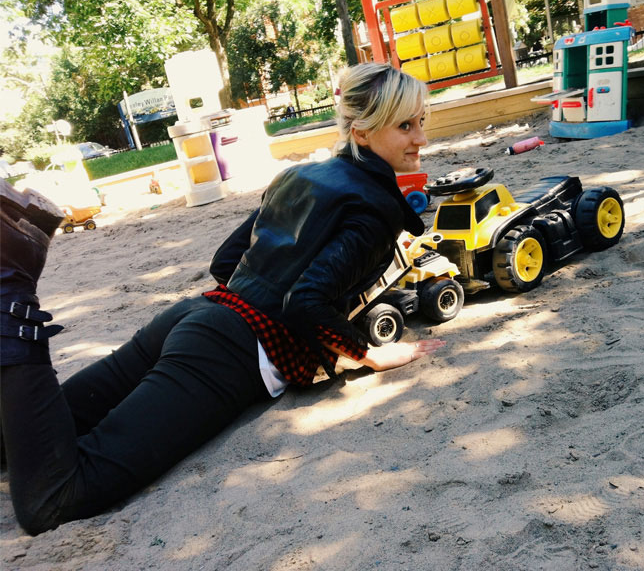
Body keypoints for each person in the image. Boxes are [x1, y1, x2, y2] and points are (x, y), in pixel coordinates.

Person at [0, 64, 444, 535]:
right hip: (228, 350)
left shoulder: (302, 173)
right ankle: (12, 285)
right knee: (56, 498)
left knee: (11, 445)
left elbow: (227, 258)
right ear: (362, 129)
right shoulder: (378, 210)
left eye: (421, 122)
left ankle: (12, 254)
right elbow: (306, 302)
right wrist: (368, 354)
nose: (420, 138)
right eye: (405, 125)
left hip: (197, 313)